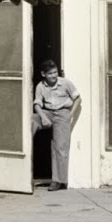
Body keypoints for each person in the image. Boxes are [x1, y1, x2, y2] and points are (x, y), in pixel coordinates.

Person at [32, 59, 80, 190]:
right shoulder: (40, 86)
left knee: (60, 146)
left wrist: (70, 115)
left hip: (62, 113)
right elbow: (37, 104)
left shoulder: (65, 83)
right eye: (50, 73)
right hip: (47, 112)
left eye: (55, 72)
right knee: (31, 120)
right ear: (43, 74)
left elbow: (77, 98)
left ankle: (58, 181)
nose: (54, 75)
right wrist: (43, 117)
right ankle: (24, 148)